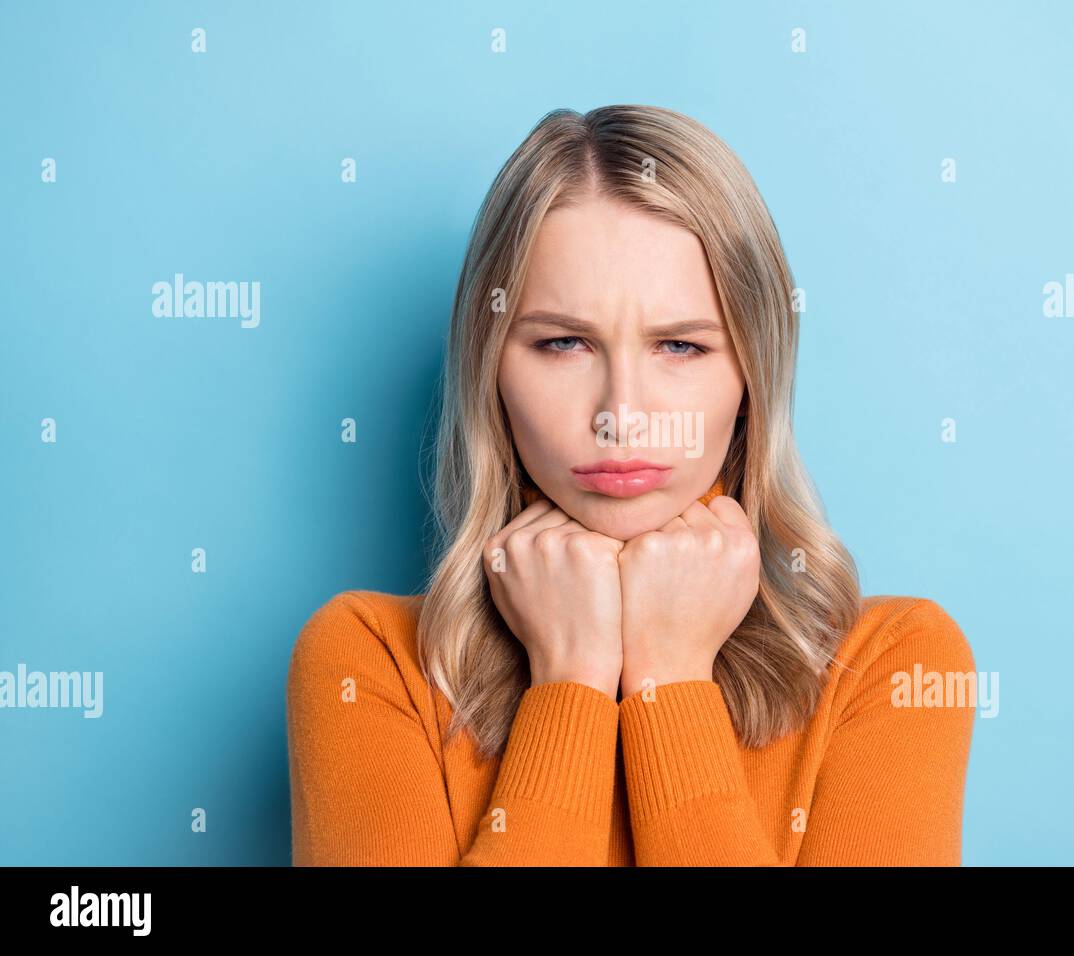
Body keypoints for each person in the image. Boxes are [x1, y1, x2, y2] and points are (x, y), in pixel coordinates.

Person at [286, 105, 976, 866]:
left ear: (751, 376)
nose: (621, 416)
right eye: (562, 343)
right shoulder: (368, 663)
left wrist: (671, 681)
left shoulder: (894, 666)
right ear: (490, 371)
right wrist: (572, 686)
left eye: (680, 345)